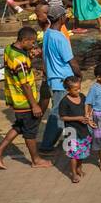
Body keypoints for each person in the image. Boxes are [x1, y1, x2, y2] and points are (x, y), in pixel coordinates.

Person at [0, 27, 51, 170]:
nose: (33, 46)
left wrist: (30, 56)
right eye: (32, 43)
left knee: (18, 127)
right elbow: (25, 85)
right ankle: (36, 160)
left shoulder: (9, 49)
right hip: (24, 101)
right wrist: (34, 105)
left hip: (15, 100)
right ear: (24, 40)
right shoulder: (20, 60)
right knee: (30, 132)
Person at [37, 11, 79, 155]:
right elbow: (71, 61)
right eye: (65, 15)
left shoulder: (48, 33)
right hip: (63, 80)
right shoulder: (60, 38)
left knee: (62, 111)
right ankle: (47, 145)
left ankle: (68, 140)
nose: (67, 17)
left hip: (54, 78)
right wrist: (78, 74)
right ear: (61, 18)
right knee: (58, 114)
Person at [58, 75, 92, 183]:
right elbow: (62, 117)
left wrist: (87, 115)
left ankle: (79, 168)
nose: (78, 91)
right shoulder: (64, 102)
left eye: (79, 88)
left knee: (81, 152)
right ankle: (73, 173)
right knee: (73, 154)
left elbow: (87, 106)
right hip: (71, 131)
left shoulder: (82, 96)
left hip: (83, 129)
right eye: (75, 89)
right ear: (68, 89)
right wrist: (78, 118)